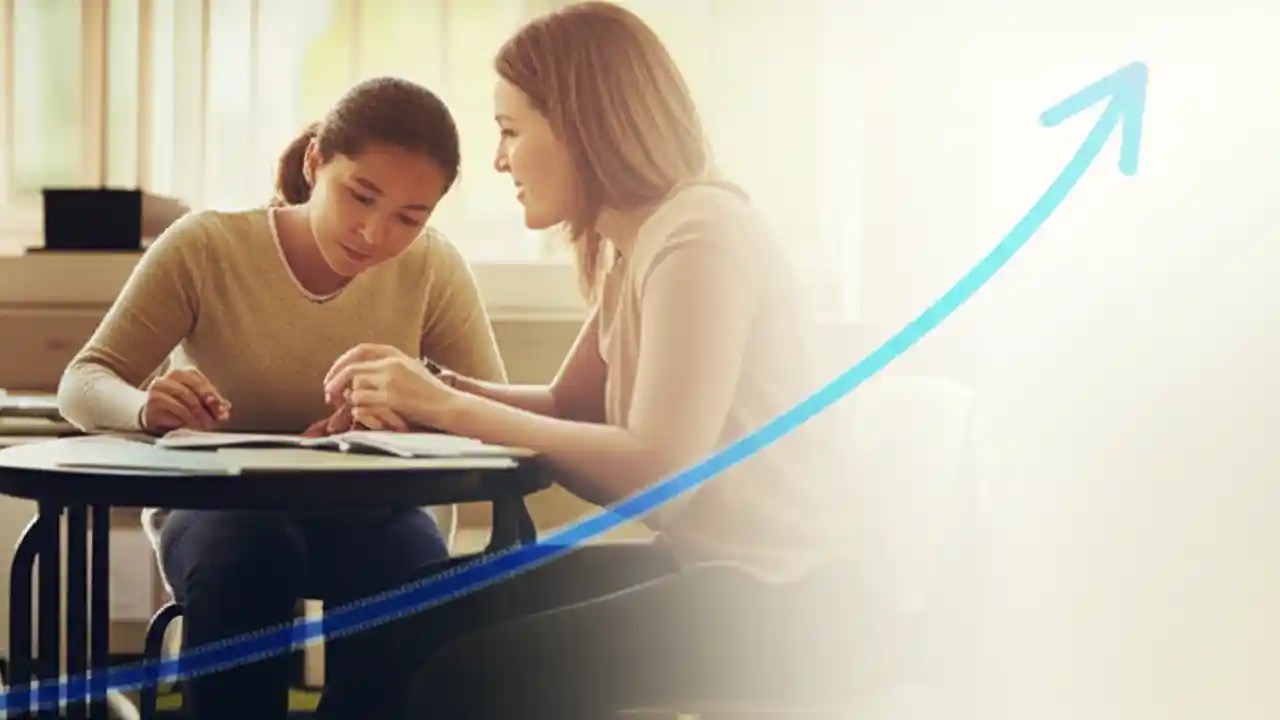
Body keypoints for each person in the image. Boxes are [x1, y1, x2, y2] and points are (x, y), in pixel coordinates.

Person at [322, 4, 860, 718]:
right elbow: (568, 407)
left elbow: (660, 472)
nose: (499, 159)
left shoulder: (699, 232)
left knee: (464, 678)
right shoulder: (629, 243)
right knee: (397, 621)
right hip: (714, 570)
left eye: (510, 130)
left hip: (787, 599)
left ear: (580, 125)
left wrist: (446, 407)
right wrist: (429, 391)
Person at [56, 76, 507, 719]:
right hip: (220, 506)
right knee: (247, 560)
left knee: (412, 579)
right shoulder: (206, 246)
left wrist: (413, 414)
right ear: (315, 162)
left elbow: (492, 413)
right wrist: (145, 408)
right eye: (361, 196)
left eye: (410, 218)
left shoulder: (433, 267)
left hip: (371, 508)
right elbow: (84, 380)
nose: (374, 234)